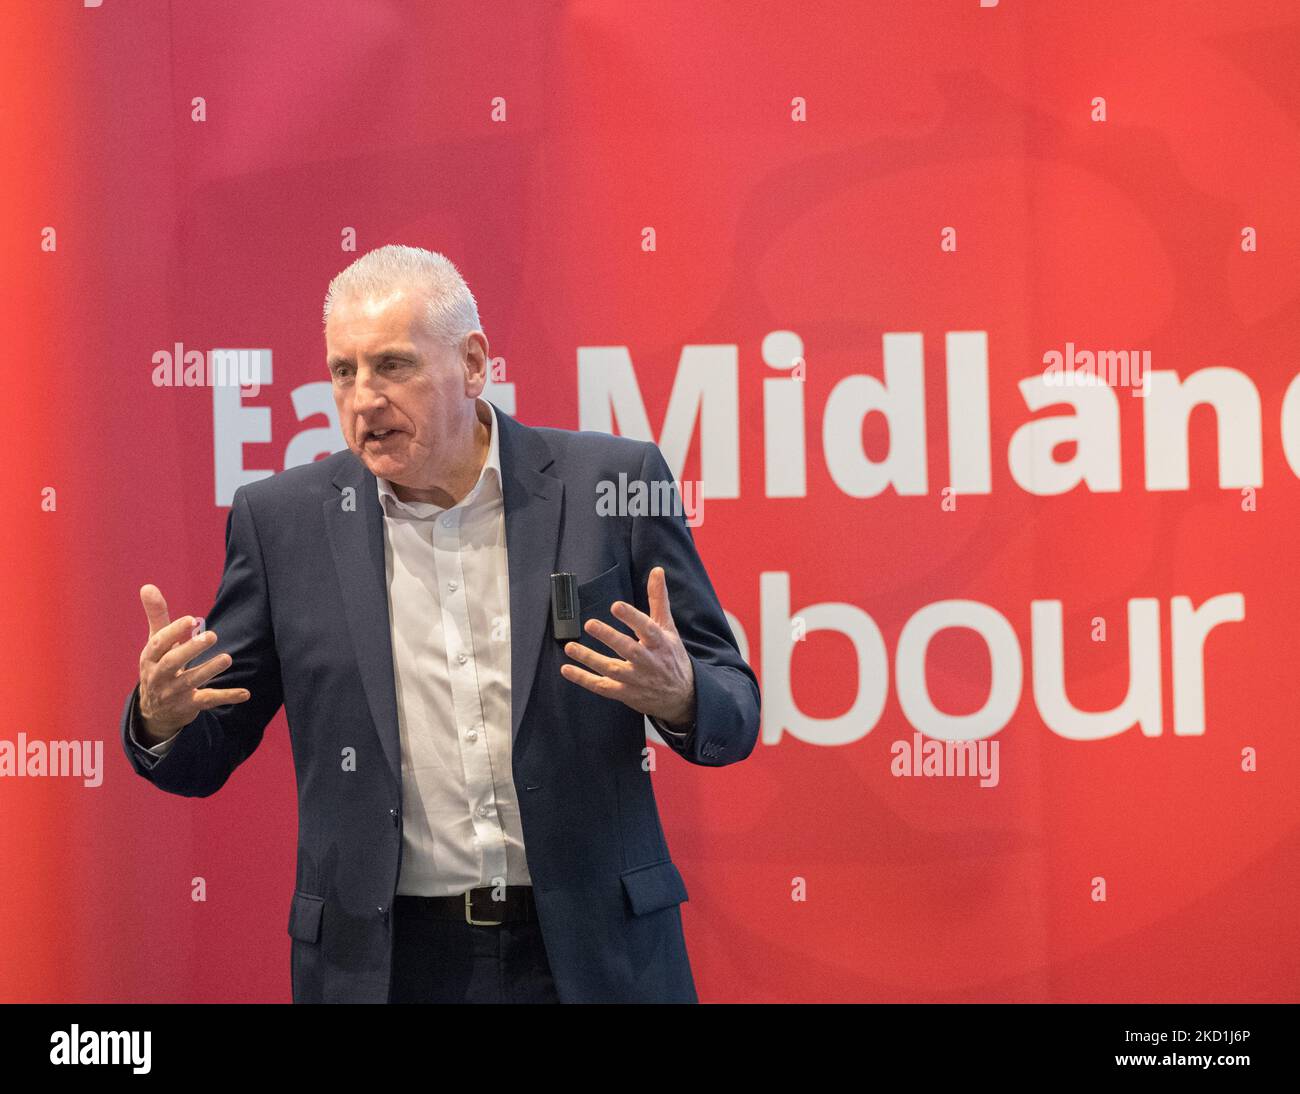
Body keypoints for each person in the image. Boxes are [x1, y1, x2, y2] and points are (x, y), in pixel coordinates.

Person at [121, 244, 761, 1003]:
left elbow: (735, 710)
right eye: (343, 371)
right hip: (388, 967)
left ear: (474, 363)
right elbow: (207, 751)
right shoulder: (282, 524)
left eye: (392, 366)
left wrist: (683, 694)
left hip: (590, 958)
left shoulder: (612, 485)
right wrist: (160, 718)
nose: (363, 399)